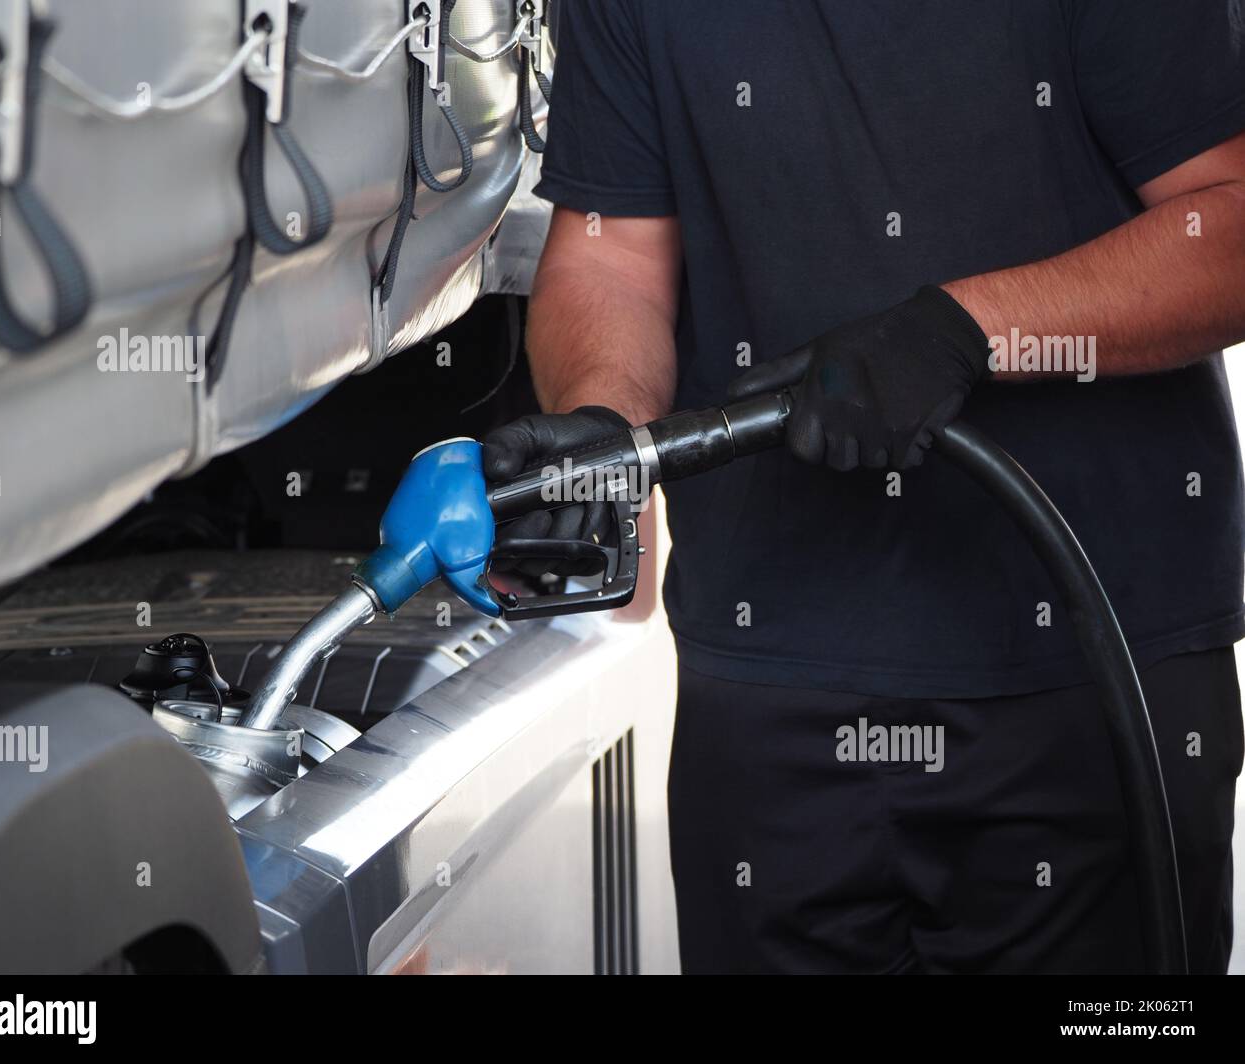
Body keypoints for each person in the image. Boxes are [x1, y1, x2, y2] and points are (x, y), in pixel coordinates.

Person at [483, 0, 1245, 973]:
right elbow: (613, 253)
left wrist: (970, 330)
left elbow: (1224, 218)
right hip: (768, 675)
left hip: (1087, 672)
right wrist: (605, 424)